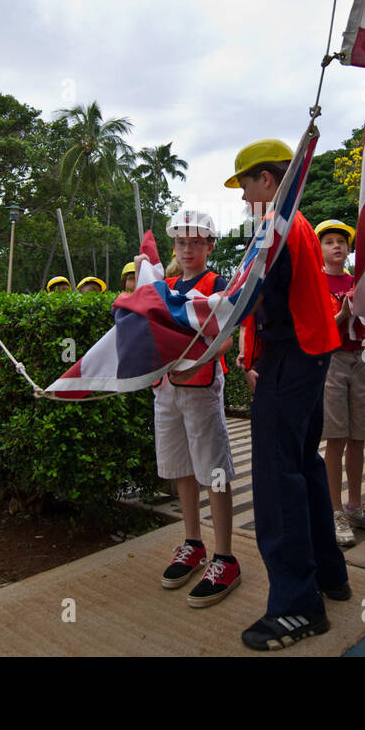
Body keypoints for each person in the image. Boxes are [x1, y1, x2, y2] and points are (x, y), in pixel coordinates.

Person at [227, 138, 348, 651]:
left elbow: (248, 300)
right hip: (307, 357)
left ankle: (297, 607)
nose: (242, 198)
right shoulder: (294, 225)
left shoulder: (278, 226)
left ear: (269, 180)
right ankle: (328, 575)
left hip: (290, 360)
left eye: (246, 185)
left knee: (278, 483)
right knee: (304, 467)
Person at [148, 209, 241, 608]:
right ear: (174, 246)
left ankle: (225, 557)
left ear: (209, 245)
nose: (188, 249)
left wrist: (195, 363)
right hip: (166, 389)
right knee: (181, 468)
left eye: (196, 241)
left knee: (213, 471)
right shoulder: (164, 286)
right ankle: (192, 543)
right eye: (181, 242)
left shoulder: (217, 284)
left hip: (200, 387)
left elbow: (226, 339)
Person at [315, 219, 365, 548]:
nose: (336, 246)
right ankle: (334, 511)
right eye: (329, 241)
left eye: (341, 242)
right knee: (336, 436)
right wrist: (344, 314)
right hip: (331, 362)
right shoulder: (315, 284)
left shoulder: (359, 282)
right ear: (319, 248)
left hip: (360, 359)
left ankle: (356, 505)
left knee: (359, 434)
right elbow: (318, 331)